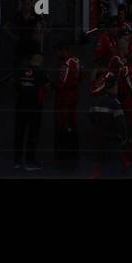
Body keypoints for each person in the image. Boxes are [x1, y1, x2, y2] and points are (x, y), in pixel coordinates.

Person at [52, 41, 80, 171]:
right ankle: (74, 149)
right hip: (74, 94)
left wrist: (53, 85)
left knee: (61, 123)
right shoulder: (76, 60)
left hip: (64, 96)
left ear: (64, 50)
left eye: (58, 51)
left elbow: (61, 83)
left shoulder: (65, 65)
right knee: (73, 121)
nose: (57, 54)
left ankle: (61, 153)